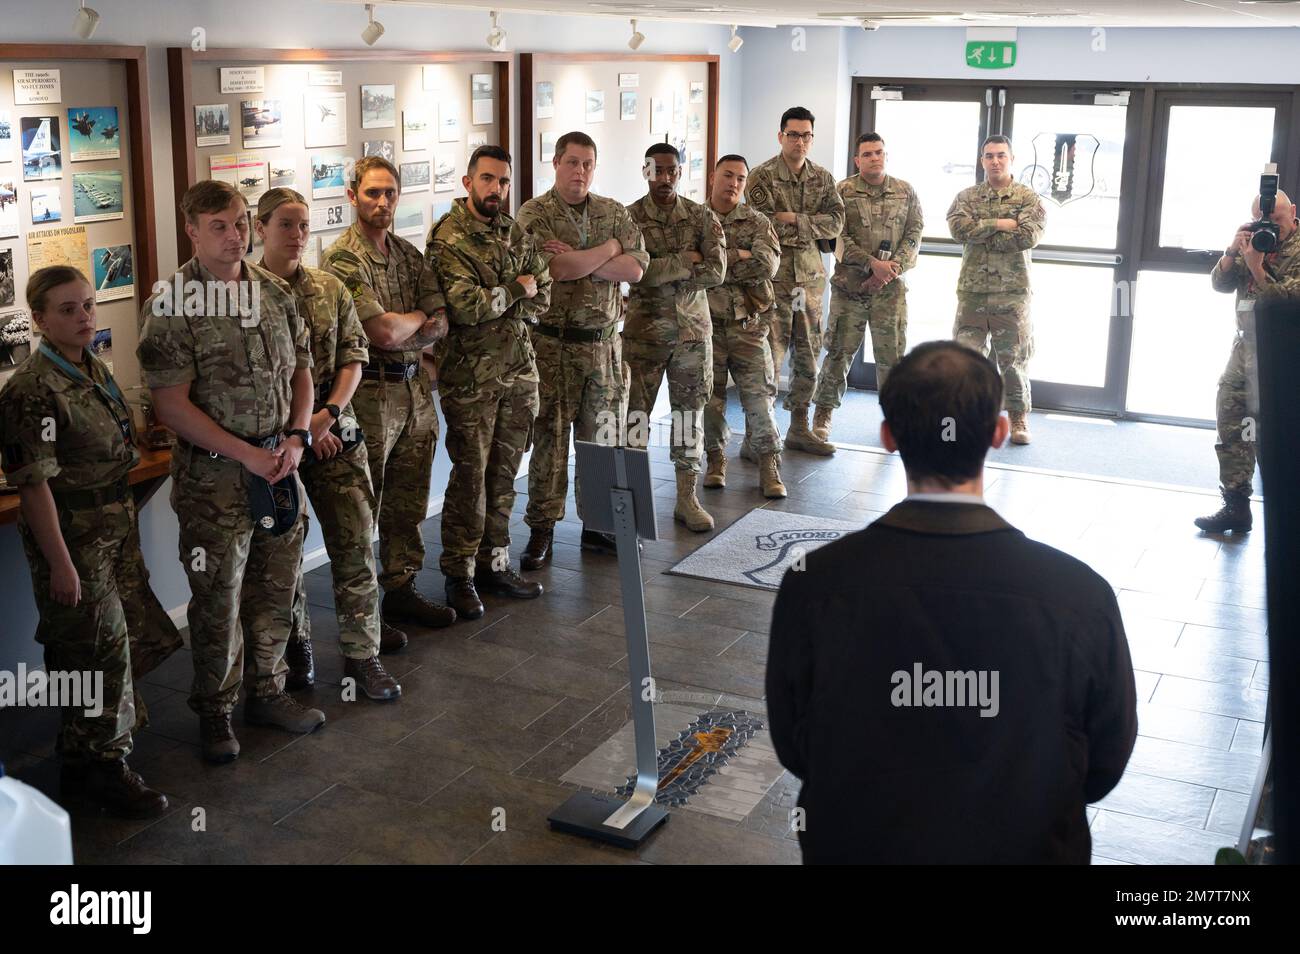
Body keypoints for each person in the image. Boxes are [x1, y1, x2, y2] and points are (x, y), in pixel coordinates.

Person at [766, 340, 1137, 864]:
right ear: (1000, 434)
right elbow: (1104, 762)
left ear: (888, 436)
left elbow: (795, 744)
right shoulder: (1079, 594)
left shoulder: (815, 583)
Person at [138, 180, 324, 764]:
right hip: (217, 478)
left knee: (277, 587)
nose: (234, 235)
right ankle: (215, 712)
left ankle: (267, 691)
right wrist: (247, 455)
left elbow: (302, 370)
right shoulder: (172, 305)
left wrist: (297, 435)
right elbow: (170, 405)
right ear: (191, 231)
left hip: (279, 463)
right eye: (219, 225)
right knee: (217, 596)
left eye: (241, 222)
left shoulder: (273, 291)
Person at [0, 265, 182, 816]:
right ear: (37, 319)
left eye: (87, 305)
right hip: (74, 542)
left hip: (112, 533)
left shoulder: (89, 365)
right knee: (93, 651)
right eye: (67, 310)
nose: (83, 317)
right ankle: (104, 766)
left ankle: (86, 756)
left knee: (113, 645)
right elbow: (35, 488)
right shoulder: (31, 389)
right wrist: (60, 564)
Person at [254, 187, 401, 701]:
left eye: (302, 225)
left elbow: (353, 359)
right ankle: (298, 652)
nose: (296, 235)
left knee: (356, 545)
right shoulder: (243, 294)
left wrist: (325, 418)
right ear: (260, 229)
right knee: (284, 560)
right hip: (275, 447)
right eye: (285, 225)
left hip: (336, 432)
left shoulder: (329, 287)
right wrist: (298, 432)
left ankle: (364, 656)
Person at [321, 156, 456, 630]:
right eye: (373, 193)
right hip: (369, 398)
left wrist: (413, 325)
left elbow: (440, 321)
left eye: (390, 193)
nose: (382, 202)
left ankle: (401, 588)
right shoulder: (342, 258)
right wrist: (416, 322)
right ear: (352, 194)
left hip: (415, 392)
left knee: (409, 500)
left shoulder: (407, 255)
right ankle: (361, 622)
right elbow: (381, 333)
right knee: (363, 510)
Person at [427, 145, 551, 619]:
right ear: (467, 182)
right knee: (471, 480)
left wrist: (509, 295)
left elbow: (545, 295)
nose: (496, 189)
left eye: (502, 181)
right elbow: (465, 307)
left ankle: (494, 564)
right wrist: (517, 288)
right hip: (471, 379)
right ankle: (459, 574)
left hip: (518, 371)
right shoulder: (448, 239)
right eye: (487, 179)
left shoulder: (513, 229)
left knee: (504, 476)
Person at [515, 131, 648, 565]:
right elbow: (556, 268)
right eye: (572, 162)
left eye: (588, 163)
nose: (580, 171)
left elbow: (636, 267)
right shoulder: (535, 214)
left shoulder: (612, 212)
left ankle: (598, 526)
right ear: (555, 163)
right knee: (549, 445)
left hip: (605, 350)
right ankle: (542, 530)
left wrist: (589, 254)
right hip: (553, 347)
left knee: (603, 443)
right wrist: (605, 253)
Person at [625, 143, 727, 531]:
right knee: (636, 417)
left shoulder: (702, 217)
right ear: (646, 170)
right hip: (643, 336)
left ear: (680, 172)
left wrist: (660, 268)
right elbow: (637, 273)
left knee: (688, 416)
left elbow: (716, 271)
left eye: (672, 171)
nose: (665, 178)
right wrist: (686, 262)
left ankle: (687, 497)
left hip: (691, 337)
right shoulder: (628, 218)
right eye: (657, 170)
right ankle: (631, 496)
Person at [1195, 189, 1300, 533]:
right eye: (1263, 220)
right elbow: (1221, 284)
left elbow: (1287, 304)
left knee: (1283, 433)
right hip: (1245, 351)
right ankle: (1236, 505)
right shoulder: (1254, 242)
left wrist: (1257, 268)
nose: (1272, 227)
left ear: (1294, 213)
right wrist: (1232, 251)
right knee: (1233, 424)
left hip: (1287, 353)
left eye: (1278, 220)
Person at [744, 106, 845, 457]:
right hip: (774, 284)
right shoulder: (761, 177)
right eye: (793, 134)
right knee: (767, 359)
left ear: (812, 138)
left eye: (806, 135)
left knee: (808, 357)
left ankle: (799, 427)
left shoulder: (824, 179)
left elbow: (835, 224)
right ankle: (757, 434)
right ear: (780, 136)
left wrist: (794, 220)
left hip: (811, 285)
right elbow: (763, 225)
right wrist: (809, 224)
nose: (799, 142)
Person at [811, 133, 923, 446]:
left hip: (890, 293)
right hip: (850, 289)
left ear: (886, 156)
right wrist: (871, 265)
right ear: (857, 160)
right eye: (868, 154)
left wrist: (890, 270)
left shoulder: (905, 191)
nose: (875, 158)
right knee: (838, 353)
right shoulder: (842, 191)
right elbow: (837, 238)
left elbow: (914, 234)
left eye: (879, 152)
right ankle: (823, 415)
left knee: (893, 358)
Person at [947, 134, 1045, 445]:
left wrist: (982, 228)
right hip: (973, 295)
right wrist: (1004, 223)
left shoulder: (1028, 198)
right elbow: (958, 229)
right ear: (982, 161)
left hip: (1011, 296)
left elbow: (1029, 235)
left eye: (1001, 155)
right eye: (989, 156)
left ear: (1012, 159)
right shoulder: (966, 197)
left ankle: (1018, 419)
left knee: (1013, 362)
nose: (995, 161)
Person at [702, 154, 785, 498]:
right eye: (728, 175)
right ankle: (716, 460)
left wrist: (723, 258)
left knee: (759, 397)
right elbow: (694, 268)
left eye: (740, 178)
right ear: (713, 177)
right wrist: (742, 255)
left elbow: (768, 265)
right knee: (710, 399)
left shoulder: (756, 220)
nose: (734, 183)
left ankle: (769, 466)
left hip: (749, 325)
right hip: (705, 326)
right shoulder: (696, 219)